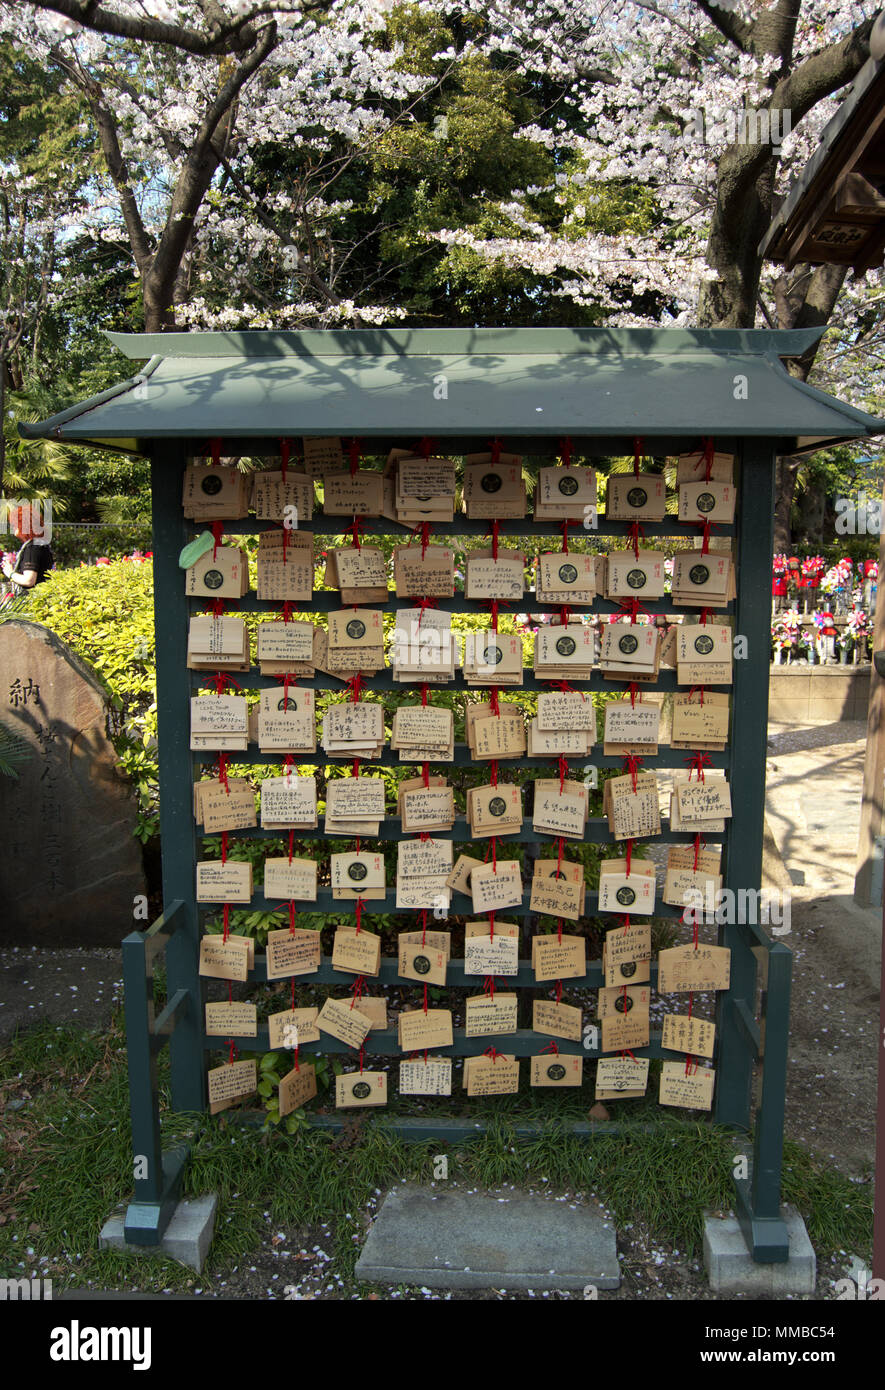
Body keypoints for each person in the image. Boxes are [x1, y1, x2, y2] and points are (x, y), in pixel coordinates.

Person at [1, 505, 53, 595]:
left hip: (31, 600)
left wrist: (10, 573)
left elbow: (29, 580)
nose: (12, 527)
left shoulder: (32, 548)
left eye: (15, 524)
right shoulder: (41, 545)